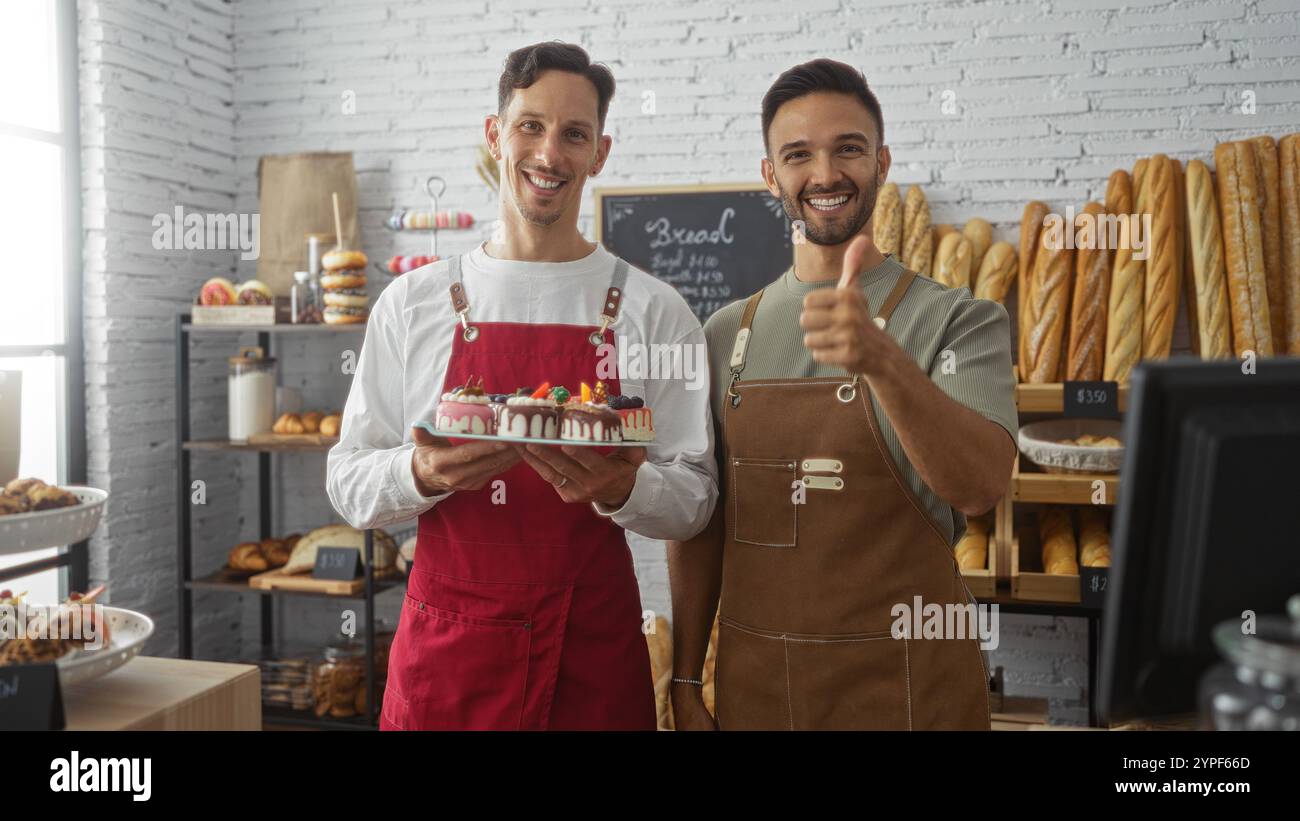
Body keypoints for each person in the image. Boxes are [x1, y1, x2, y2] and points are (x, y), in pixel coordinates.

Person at [327, 42, 716, 730]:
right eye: (530, 126)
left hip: (591, 659)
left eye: (575, 134)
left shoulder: (657, 312)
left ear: (600, 153)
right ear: (495, 135)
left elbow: (695, 500)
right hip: (448, 661)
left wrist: (625, 487)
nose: (549, 154)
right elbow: (348, 481)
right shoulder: (412, 303)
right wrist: (421, 471)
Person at [668, 59, 1017, 730]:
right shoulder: (724, 334)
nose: (825, 174)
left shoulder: (959, 319)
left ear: (882, 161)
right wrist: (685, 678)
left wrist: (882, 361)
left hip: (912, 693)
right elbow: (701, 525)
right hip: (759, 694)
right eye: (799, 155)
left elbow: (980, 486)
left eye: (848, 149)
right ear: (771, 174)